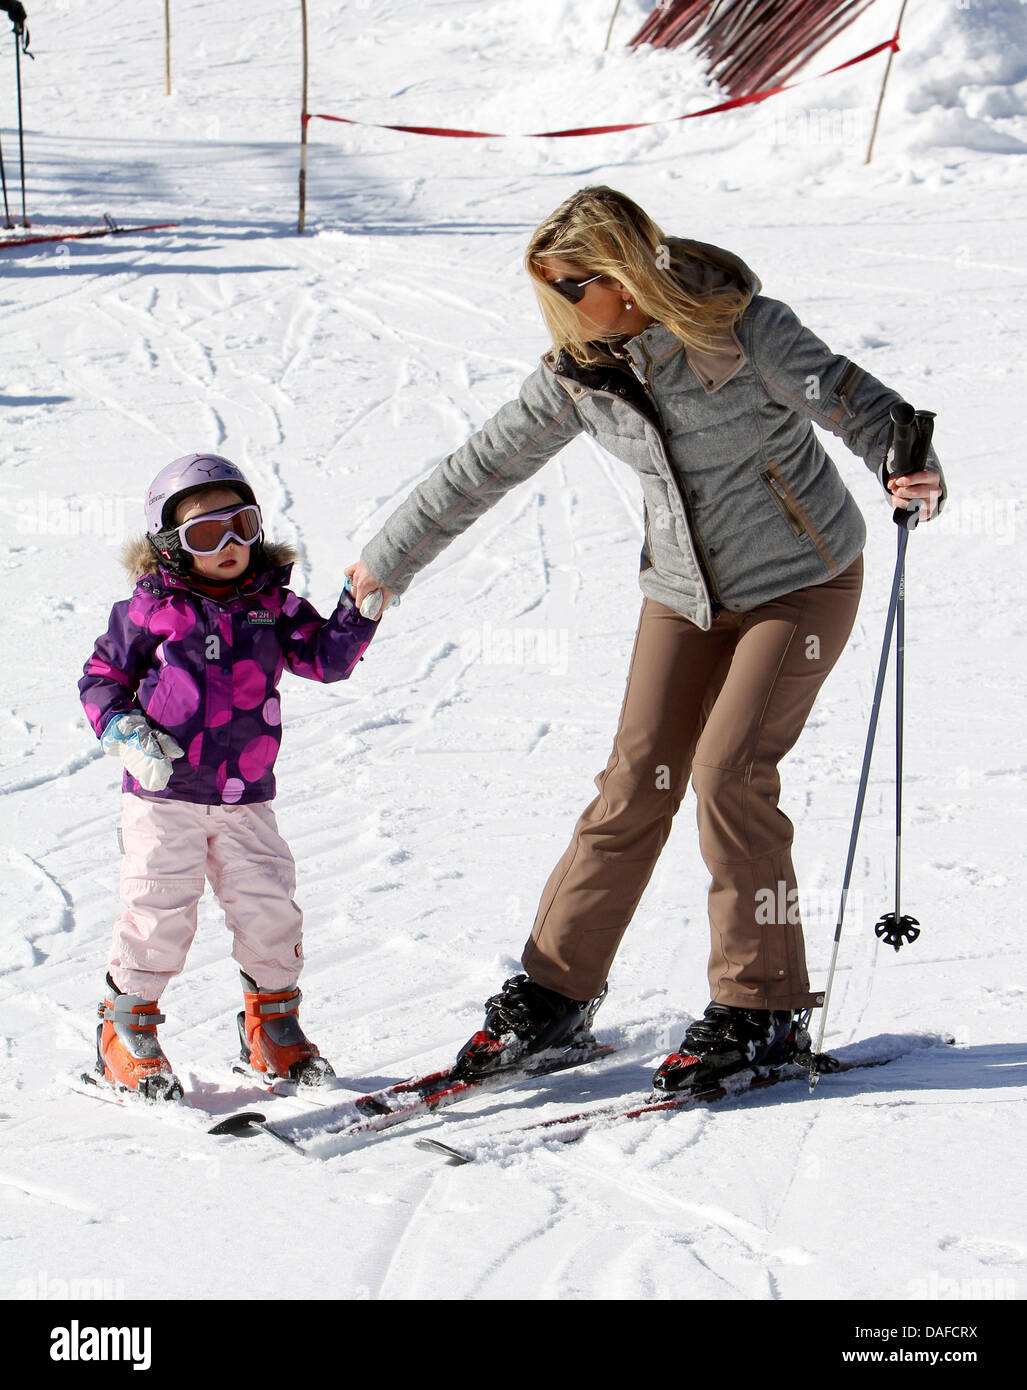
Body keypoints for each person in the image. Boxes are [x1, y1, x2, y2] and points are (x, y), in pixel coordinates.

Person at [345, 185, 946, 1095]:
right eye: (547, 287)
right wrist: (387, 559)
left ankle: (761, 1006)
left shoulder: (747, 330)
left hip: (802, 579)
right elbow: (479, 467)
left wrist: (906, 464)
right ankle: (553, 993)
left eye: (573, 283)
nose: (559, 304)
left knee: (728, 773)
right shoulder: (581, 373)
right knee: (636, 783)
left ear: (625, 271)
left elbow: (859, 403)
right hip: (682, 593)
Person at [80, 454, 380, 1100]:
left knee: (270, 908)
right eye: (207, 535)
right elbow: (101, 680)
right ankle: (123, 1031)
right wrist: (128, 734)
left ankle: (272, 1029)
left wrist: (359, 609)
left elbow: (326, 659)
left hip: (246, 796)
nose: (232, 547)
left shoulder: (273, 605)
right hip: (164, 795)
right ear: (170, 546)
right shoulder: (151, 607)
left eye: (242, 525)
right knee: (159, 911)